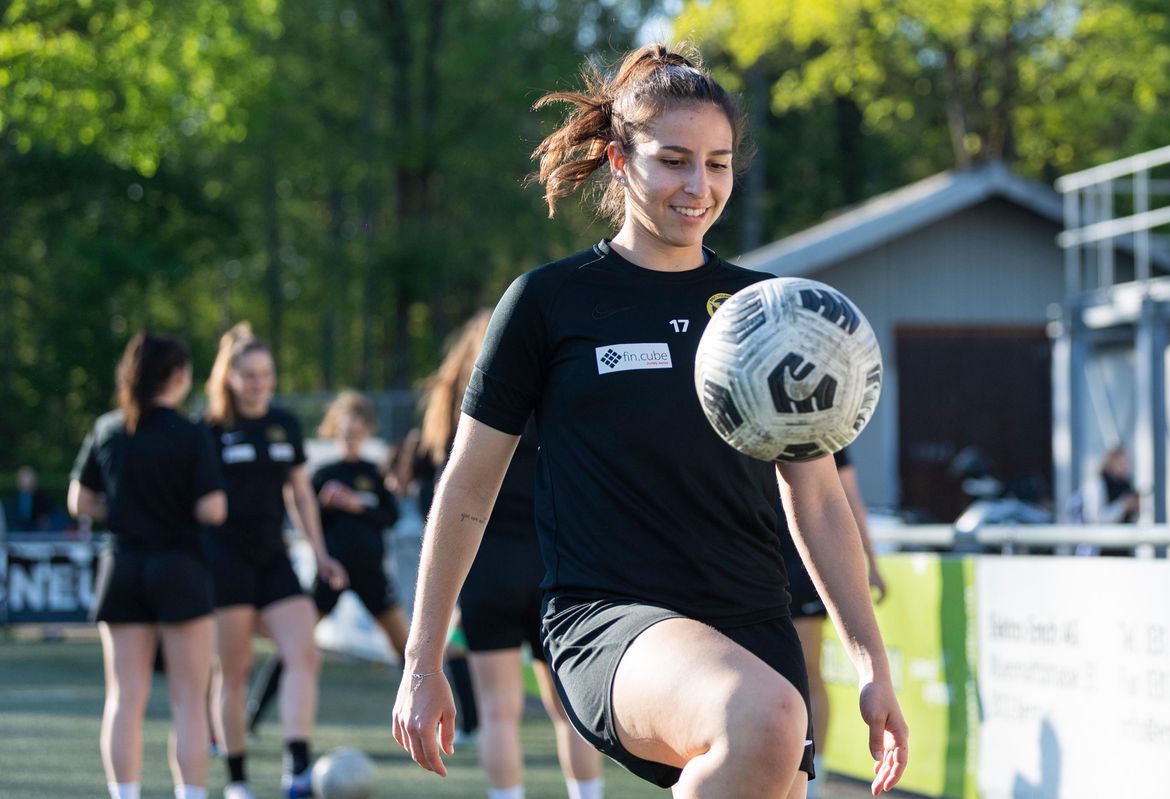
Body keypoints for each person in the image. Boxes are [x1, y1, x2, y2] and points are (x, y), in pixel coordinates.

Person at [392, 42, 908, 799]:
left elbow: (820, 500)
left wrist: (872, 665)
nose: (699, 186)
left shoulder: (770, 312)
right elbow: (467, 486)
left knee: (763, 720)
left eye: (719, 163)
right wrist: (423, 659)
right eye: (674, 160)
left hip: (752, 624)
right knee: (761, 718)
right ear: (618, 159)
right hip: (608, 617)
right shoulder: (548, 303)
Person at [427, 310, 607, 799]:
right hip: (552, 570)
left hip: (487, 575)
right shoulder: (546, 403)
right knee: (571, 710)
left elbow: (444, 505)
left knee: (498, 712)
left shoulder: (453, 423)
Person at [67, 332, 227, 799]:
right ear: (178, 377)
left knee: (123, 698)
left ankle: (124, 794)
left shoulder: (109, 428)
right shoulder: (191, 433)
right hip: (179, 567)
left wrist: (122, 504)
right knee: (188, 701)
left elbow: (80, 500)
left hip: (122, 567)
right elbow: (212, 509)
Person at [204, 322, 347, 799]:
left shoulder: (284, 423)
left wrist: (321, 554)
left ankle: (297, 770)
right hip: (225, 564)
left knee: (304, 653)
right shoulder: (209, 429)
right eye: (250, 375)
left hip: (274, 560)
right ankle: (238, 780)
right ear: (229, 377)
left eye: (267, 373)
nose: (261, 382)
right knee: (234, 670)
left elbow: (301, 494)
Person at [245, 391, 410, 733]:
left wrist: (357, 505)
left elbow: (390, 517)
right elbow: (305, 516)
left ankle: (434, 719)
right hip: (331, 573)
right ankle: (253, 713)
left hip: (370, 575)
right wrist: (323, 504)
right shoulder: (322, 475)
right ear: (335, 430)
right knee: (296, 643)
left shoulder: (373, 474)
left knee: (407, 649)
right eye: (345, 431)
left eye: (358, 432)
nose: (351, 438)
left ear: (367, 432)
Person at [778, 449, 888, 799]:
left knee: (807, 672)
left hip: (800, 559)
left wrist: (870, 561)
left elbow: (840, 494)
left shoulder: (818, 409)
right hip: (743, 556)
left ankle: (813, 778)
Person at [5, 465, 58, 531]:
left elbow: (51, 517)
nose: (26, 480)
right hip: (18, 533)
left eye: (28, 477)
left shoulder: (46, 498)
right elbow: (12, 519)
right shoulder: (13, 499)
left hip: (41, 534)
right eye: (23, 477)